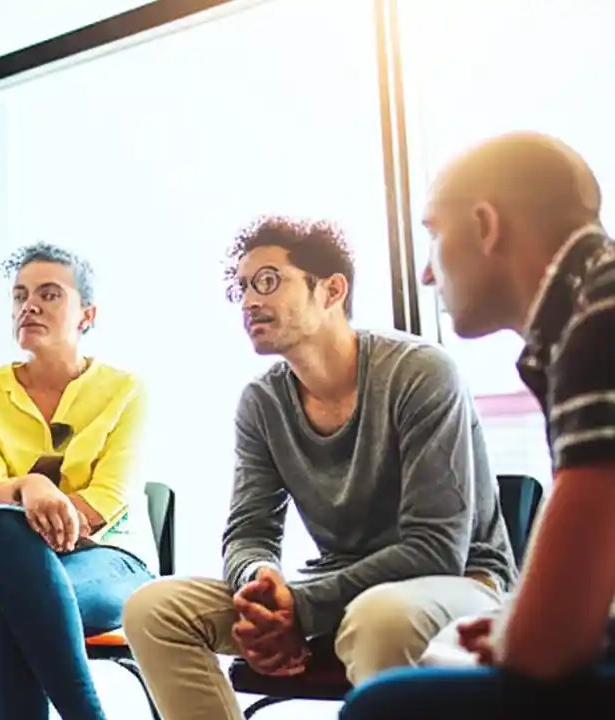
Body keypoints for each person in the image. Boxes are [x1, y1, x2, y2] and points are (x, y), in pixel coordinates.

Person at [122, 217, 518, 720]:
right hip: (335, 588)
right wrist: (259, 581)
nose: (248, 301)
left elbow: (434, 548)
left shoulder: (420, 372)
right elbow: (249, 530)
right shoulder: (262, 402)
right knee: (154, 610)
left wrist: (300, 609)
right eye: (241, 287)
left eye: (267, 281)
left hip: (460, 582)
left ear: (331, 290)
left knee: (380, 617)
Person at [339, 134, 615, 719]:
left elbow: (546, 645)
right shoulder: (587, 312)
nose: (426, 272)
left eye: (433, 233)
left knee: (382, 707)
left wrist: (523, 629)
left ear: (487, 226)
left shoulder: (600, 324)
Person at [0, 242, 157, 720]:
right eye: (21, 295)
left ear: (86, 315)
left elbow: (110, 497)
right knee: (3, 529)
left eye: (49, 294)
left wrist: (28, 503)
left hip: (110, 561)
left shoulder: (124, 389)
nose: (30, 305)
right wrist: (32, 488)